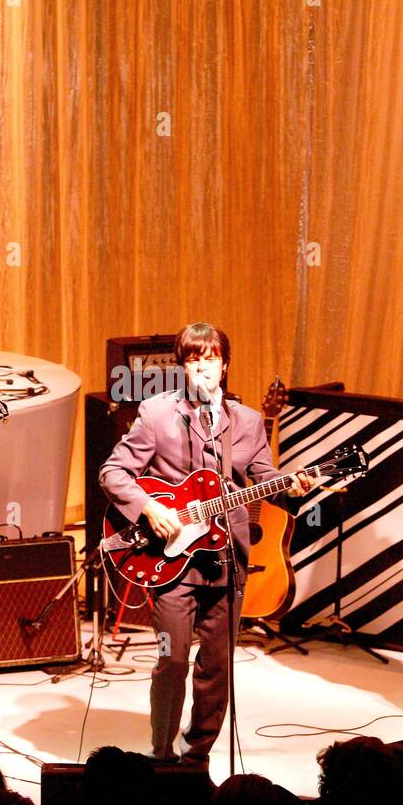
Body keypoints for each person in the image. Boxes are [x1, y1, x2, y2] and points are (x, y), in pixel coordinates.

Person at [99, 323, 313, 768]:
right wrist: (147, 509)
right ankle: (160, 757)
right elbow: (113, 473)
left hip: (227, 559)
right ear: (182, 366)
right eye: (193, 360)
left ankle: (197, 756)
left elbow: (264, 480)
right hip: (171, 560)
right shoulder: (157, 414)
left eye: (210, 359)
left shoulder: (248, 421)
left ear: (225, 365)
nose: (202, 367)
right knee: (172, 660)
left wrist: (292, 488)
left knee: (217, 668)